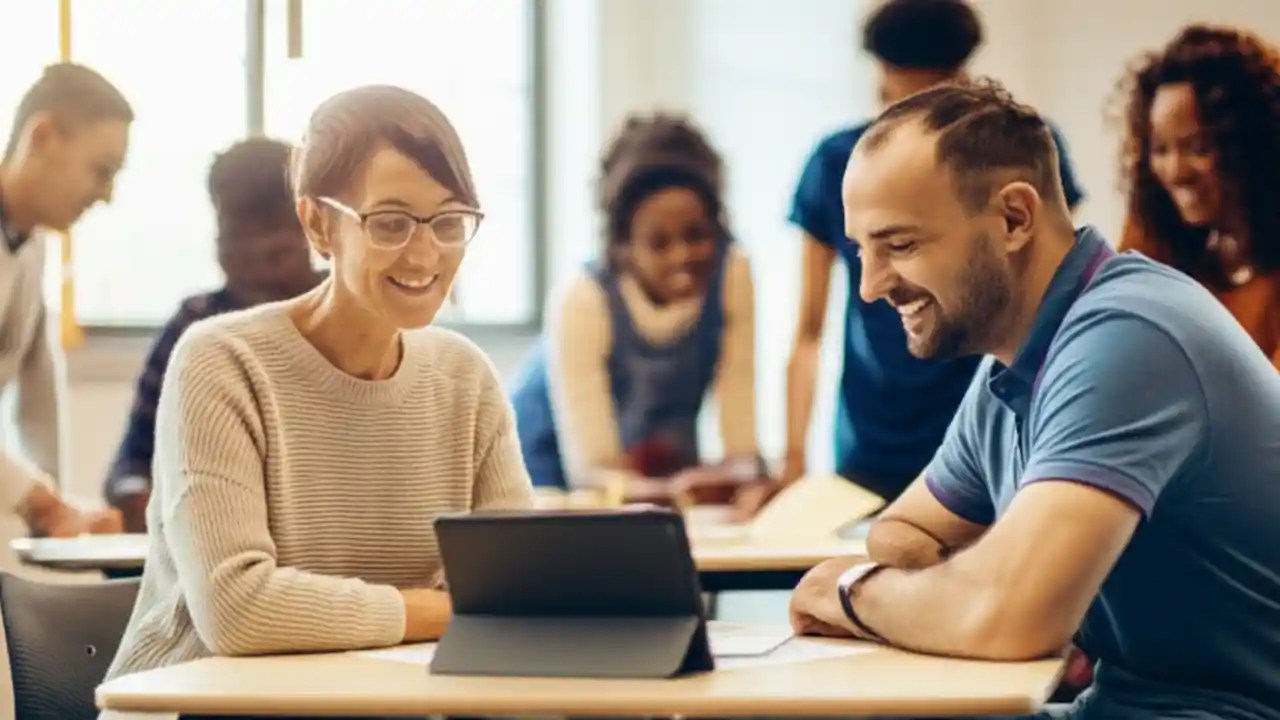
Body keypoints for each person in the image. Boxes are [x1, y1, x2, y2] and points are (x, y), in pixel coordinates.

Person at [789, 79, 1280, 719]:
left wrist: (851, 591)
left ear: (1014, 218)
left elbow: (1011, 620)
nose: (872, 287)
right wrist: (967, 587)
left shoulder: (1128, 337)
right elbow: (903, 529)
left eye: (900, 245)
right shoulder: (1015, 362)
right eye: (863, 251)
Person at [104, 85, 534, 682]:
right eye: (390, 223)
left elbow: (514, 590)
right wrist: (434, 609)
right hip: (205, 707)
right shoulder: (219, 361)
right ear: (317, 223)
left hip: (381, 702)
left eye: (449, 221)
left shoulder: (466, 379)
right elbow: (237, 610)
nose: (424, 253)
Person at [779, 0, 1086, 505]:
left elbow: (1049, 294)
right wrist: (792, 464)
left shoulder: (1018, 152)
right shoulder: (838, 163)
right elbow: (807, 332)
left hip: (989, 428)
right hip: (869, 449)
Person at [510, 114, 766, 508]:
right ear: (624, 247)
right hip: (549, 472)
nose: (682, 256)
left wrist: (742, 477)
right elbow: (590, 468)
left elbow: (741, 432)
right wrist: (670, 491)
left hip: (649, 480)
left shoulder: (732, 271)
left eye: (696, 235)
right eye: (659, 243)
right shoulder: (582, 299)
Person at [103, 137, 324, 532]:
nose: (249, 256)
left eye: (270, 238)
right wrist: (140, 498)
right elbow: (131, 461)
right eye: (231, 236)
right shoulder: (196, 323)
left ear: (312, 229)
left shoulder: (348, 319)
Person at [0, 63, 129, 537]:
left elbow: (38, 401)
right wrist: (40, 504)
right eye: (101, 171)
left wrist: (61, 511)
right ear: (43, 137)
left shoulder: (31, 247)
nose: (107, 195)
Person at [1116, 24, 1280, 368]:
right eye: (1160, 149)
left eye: (1198, 146)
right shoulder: (1154, 231)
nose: (1175, 171)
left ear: (1253, 143)